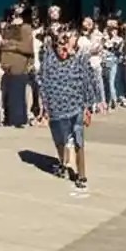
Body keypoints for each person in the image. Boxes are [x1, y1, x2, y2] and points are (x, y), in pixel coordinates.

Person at [37, 32, 99, 192]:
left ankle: (81, 174)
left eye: (67, 48)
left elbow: (86, 81)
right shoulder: (48, 61)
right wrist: (44, 108)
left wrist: (88, 106)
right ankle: (64, 163)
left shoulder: (78, 60)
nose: (64, 52)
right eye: (61, 48)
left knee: (78, 139)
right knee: (60, 139)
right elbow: (42, 84)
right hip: (55, 108)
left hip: (76, 105)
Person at [0, 7, 34, 128]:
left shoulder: (26, 28)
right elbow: (2, 44)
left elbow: (28, 47)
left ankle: (19, 119)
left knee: (18, 94)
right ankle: (10, 118)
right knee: (9, 94)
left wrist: (11, 45)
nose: (14, 18)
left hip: (19, 66)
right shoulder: (8, 28)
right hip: (7, 67)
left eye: (17, 16)